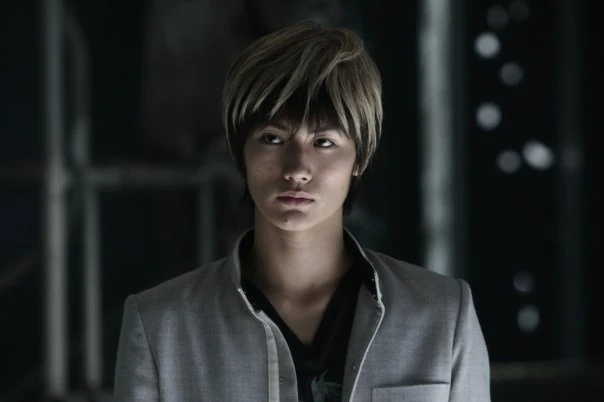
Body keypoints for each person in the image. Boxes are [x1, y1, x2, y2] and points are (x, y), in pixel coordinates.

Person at [113, 19, 490, 402]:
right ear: (240, 151)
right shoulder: (160, 326)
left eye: (324, 142)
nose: (297, 169)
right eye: (272, 138)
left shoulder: (442, 316)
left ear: (360, 157)